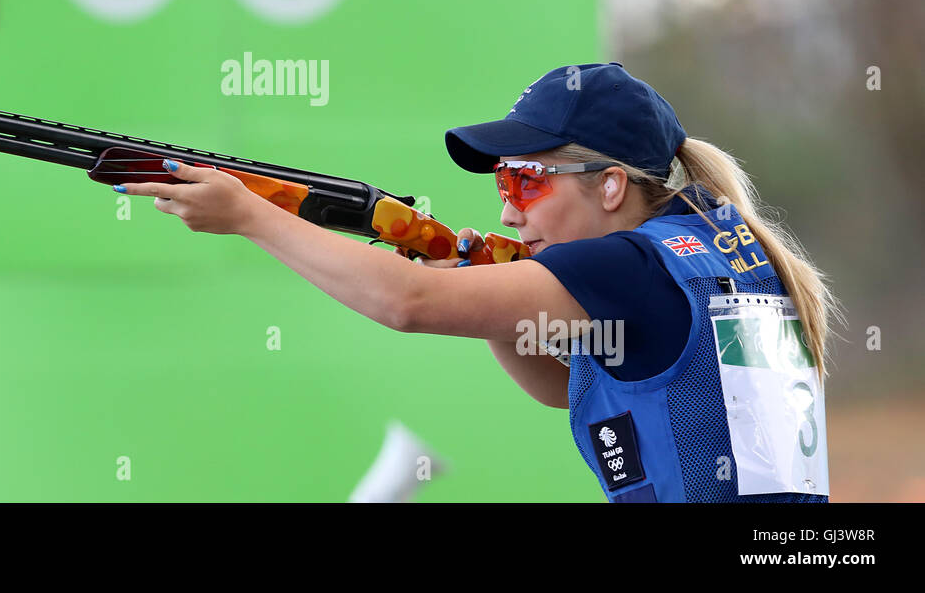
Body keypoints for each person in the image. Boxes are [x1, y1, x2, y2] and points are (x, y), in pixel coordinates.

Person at [115, 62, 841, 502]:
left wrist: (248, 215)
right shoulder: (712, 245)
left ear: (612, 184)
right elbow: (582, 385)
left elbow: (406, 302)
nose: (505, 206)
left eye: (526, 180)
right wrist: (486, 284)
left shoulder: (627, 266)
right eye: (503, 181)